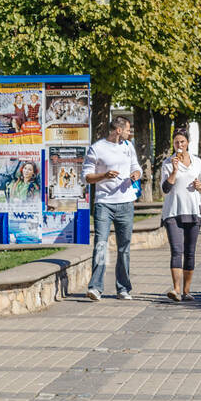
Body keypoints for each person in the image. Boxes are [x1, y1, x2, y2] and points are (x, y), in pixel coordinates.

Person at [82, 115, 142, 301]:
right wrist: (104, 176)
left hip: (126, 203)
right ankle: (95, 288)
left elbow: (137, 168)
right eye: (127, 129)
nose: (129, 132)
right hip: (104, 203)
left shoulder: (128, 147)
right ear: (118, 130)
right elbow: (87, 177)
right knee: (101, 244)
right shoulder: (97, 148)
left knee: (124, 248)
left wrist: (135, 175)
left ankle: (123, 288)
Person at [160, 130, 201, 301]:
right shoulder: (167, 163)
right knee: (176, 251)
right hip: (173, 212)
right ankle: (176, 289)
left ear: (188, 143)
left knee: (190, 252)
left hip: (193, 210)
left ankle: (187, 291)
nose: (179, 145)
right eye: (176, 142)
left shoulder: (197, 162)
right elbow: (165, 189)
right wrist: (174, 170)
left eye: (182, 142)